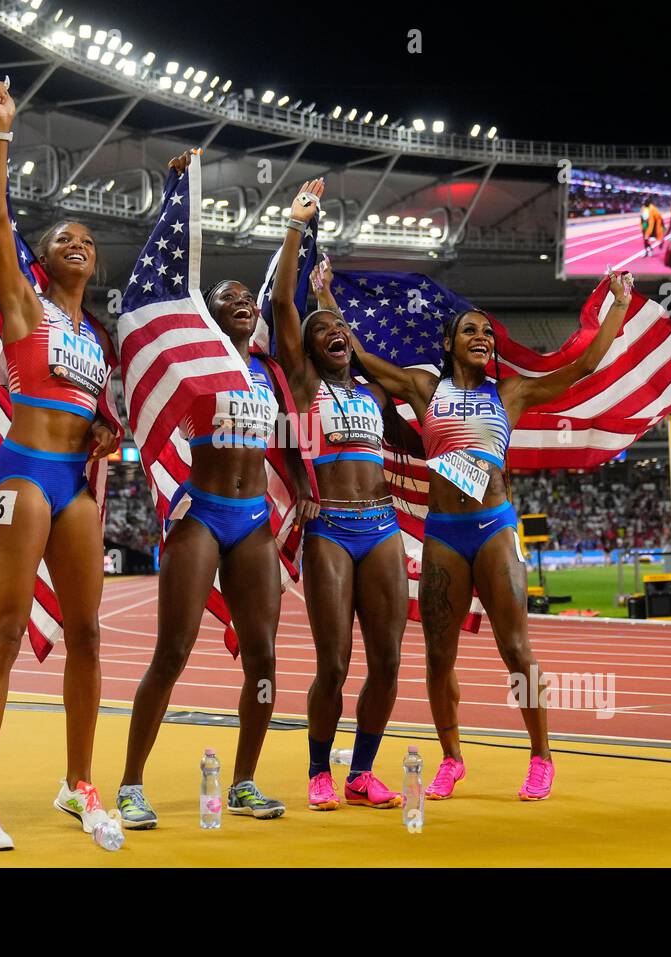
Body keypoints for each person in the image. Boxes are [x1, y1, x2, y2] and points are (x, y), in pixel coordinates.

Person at [351, 270, 637, 802]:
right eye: (470, 331)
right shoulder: (424, 388)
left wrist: (618, 307)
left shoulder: (512, 392)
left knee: (515, 648)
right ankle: (451, 760)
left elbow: (584, 366)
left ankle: (541, 756)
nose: (482, 337)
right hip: (442, 533)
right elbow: (361, 357)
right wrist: (323, 295)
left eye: (487, 331)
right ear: (449, 344)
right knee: (439, 655)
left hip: (493, 528)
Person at [0, 80, 121, 851]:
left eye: (89, 238)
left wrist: (104, 434)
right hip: (23, 472)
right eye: (64, 237)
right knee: (8, 628)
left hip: (75, 485)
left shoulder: (96, 339)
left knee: (89, 632)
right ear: (45, 258)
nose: (79, 242)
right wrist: (3, 133)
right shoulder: (21, 300)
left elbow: (91, 413)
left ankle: (78, 780)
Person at [114, 149, 295, 830]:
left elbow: (286, 443)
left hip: (253, 519)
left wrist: (301, 491)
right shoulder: (195, 368)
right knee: (174, 649)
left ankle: (245, 779)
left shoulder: (269, 375)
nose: (244, 306)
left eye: (248, 300)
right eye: (230, 301)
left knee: (266, 656)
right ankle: (131, 782)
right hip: (200, 512)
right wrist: (173, 192)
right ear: (210, 318)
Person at [270, 183, 416, 813]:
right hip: (330, 527)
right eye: (321, 328)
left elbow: (365, 353)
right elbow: (282, 302)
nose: (332, 331)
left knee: (386, 659)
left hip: (381, 526)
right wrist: (296, 230)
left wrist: (332, 301)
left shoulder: (373, 394)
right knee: (334, 663)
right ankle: (317, 769)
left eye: (339, 329)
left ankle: (361, 771)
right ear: (306, 345)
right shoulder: (302, 383)